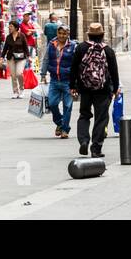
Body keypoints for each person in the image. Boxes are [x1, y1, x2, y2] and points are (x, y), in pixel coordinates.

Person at [70, 22, 120, 158]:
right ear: (102, 35)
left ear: (89, 34)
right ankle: (96, 148)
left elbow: (73, 68)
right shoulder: (108, 50)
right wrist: (116, 88)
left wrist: (72, 86)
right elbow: (114, 71)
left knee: (84, 115)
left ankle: (84, 141)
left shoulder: (81, 48)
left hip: (85, 88)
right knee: (101, 118)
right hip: (103, 89)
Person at [43, 24, 78, 138]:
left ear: (68, 34)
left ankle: (65, 130)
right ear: (57, 33)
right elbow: (46, 59)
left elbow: (77, 64)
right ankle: (60, 123)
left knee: (68, 106)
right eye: (60, 33)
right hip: (54, 80)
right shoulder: (52, 44)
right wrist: (43, 74)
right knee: (52, 104)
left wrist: (76, 80)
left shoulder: (73, 46)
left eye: (64, 33)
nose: (62, 35)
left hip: (68, 81)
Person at [0, 20, 30, 99]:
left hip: (21, 58)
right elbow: (5, 48)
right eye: (9, 26)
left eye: (11, 26)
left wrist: (28, 56)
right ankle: (15, 92)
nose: (9, 28)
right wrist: (1, 58)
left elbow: (26, 47)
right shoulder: (8, 37)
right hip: (11, 58)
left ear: (16, 27)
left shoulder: (22, 35)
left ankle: (22, 89)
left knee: (19, 73)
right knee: (13, 75)